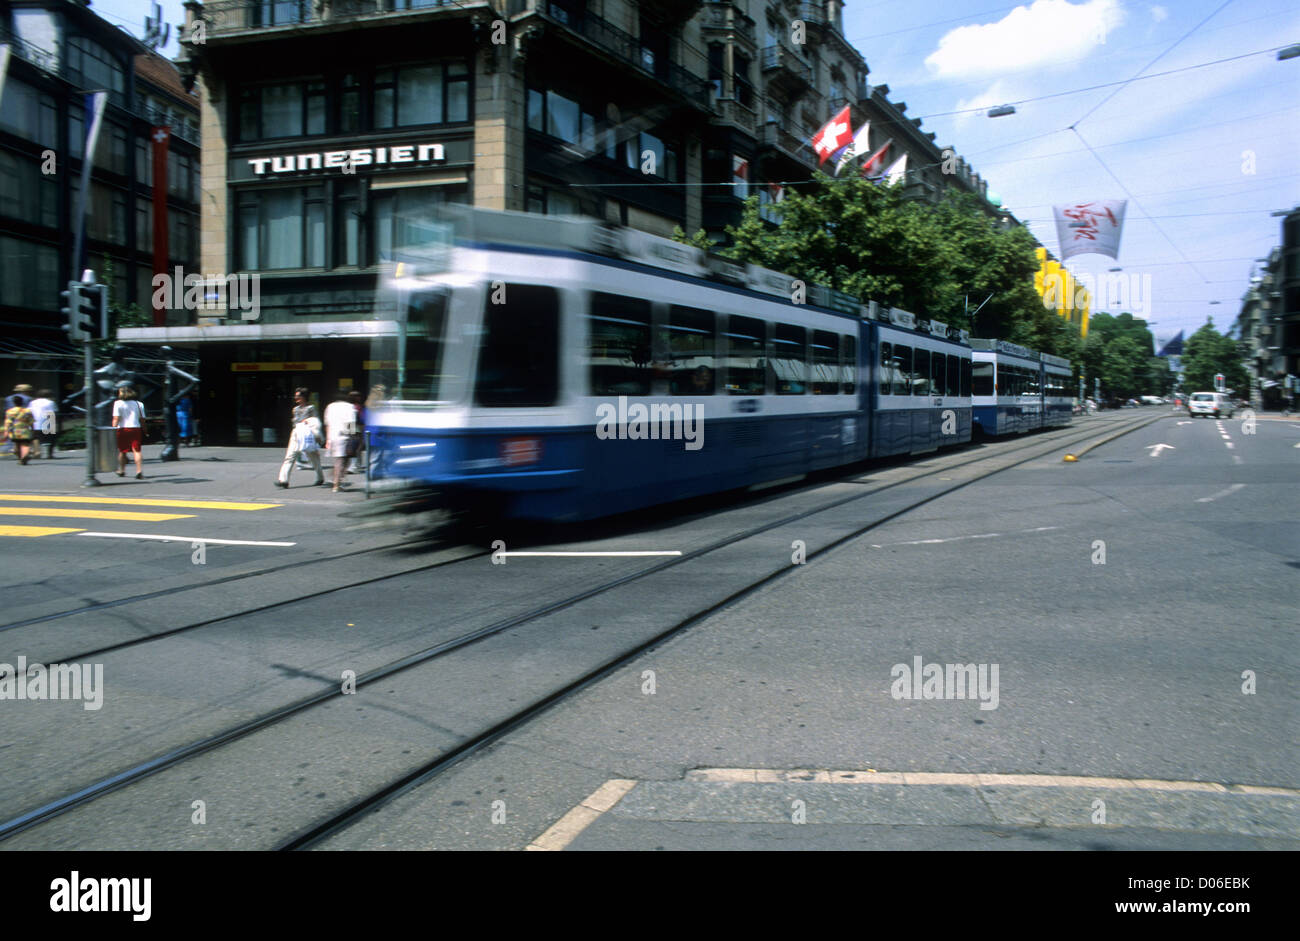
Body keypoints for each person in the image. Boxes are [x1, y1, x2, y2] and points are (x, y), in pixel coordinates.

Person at [276, 387, 324, 488]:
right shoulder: (295, 409)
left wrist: (308, 422)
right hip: (296, 433)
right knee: (290, 456)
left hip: (307, 434)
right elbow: (294, 422)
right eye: (296, 396)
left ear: (304, 397)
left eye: (298, 396)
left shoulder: (311, 408)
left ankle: (320, 477)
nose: (296, 398)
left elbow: (316, 422)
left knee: (313, 457)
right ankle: (283, 480)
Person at [324, 388, 359, 492]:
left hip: (332, 436)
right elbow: (351, 423)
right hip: (344, 436)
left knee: (339, 460)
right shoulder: (349, 407)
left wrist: (327, 439)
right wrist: (352, 437)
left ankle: (336, 479)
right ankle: (336, 484)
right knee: (342, 460)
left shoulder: (330, 406)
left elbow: (327, 424)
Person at [111, 384, 146, 479]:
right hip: (135, 428)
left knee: (122, 451)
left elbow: (116, 418)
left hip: (122, 429)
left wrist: (112, 430)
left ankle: (122, 470)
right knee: (137, 450)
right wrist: (145, 429)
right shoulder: (139, 404)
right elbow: (142, 419)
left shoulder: (117, 403)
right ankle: (139, 471)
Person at [3, 397, 35, 465]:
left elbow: (8, 422)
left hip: (14, 431)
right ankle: (24, 456)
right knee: (25, 444)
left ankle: (21, 458)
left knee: (17, 445)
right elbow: (31, 421)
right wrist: (33, 429)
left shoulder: (9, 411)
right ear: (22, 402)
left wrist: (6, 431)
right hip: (25, 430)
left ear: (14, 402)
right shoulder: (27, 411)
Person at [27, 389, 57, 459]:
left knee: (35, 437)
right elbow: (52, 413)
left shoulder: (33, 402)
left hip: (34, 422)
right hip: (47, 422)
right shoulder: (50, 402)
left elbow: (29, 411)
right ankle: (50, 454)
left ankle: (37, 451)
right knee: (51, 439)